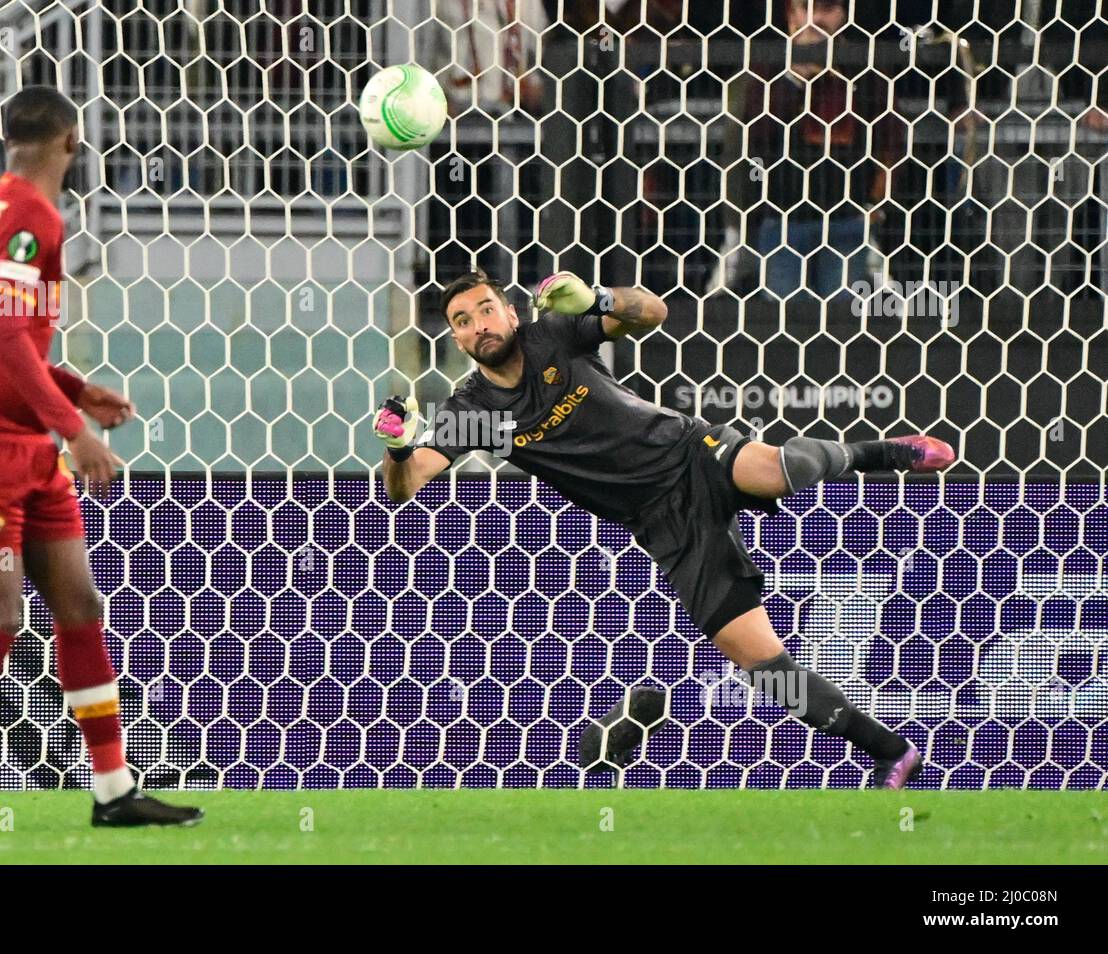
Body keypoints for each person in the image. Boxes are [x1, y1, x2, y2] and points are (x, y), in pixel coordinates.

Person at [373, 268, 955, 788]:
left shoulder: (552, 333)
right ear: (454, 337)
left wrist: (599, 297)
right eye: (462, 321)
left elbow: (651, 311)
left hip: (687, 452)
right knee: (763, 666)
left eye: (485, 310)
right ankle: (894, 753)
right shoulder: (470, 412)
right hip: (660, 521)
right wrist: (399, 448)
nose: (478, 325)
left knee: (773, 470)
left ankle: (883, 453)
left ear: (511, 312)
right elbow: (405, 486)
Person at [0, 85, 202, 829]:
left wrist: (77, 388)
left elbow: (0, 333)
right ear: (72, 143)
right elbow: (3, 342)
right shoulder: (31, 216)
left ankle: (112, 791)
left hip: (22, 438)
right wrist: (75, 429)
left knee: (79, 604)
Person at [743, 0, 898, 300]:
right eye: (806, 7)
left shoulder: (864, 63)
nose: (816, 18)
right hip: (782, 218)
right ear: (791, 14)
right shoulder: (770, 63)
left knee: (842, 324)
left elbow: (890, 139)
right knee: (782, 323)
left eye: (827, 9)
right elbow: (754, 137)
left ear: (843, 14)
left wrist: (876, 202)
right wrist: (791, 80)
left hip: (846, 219)